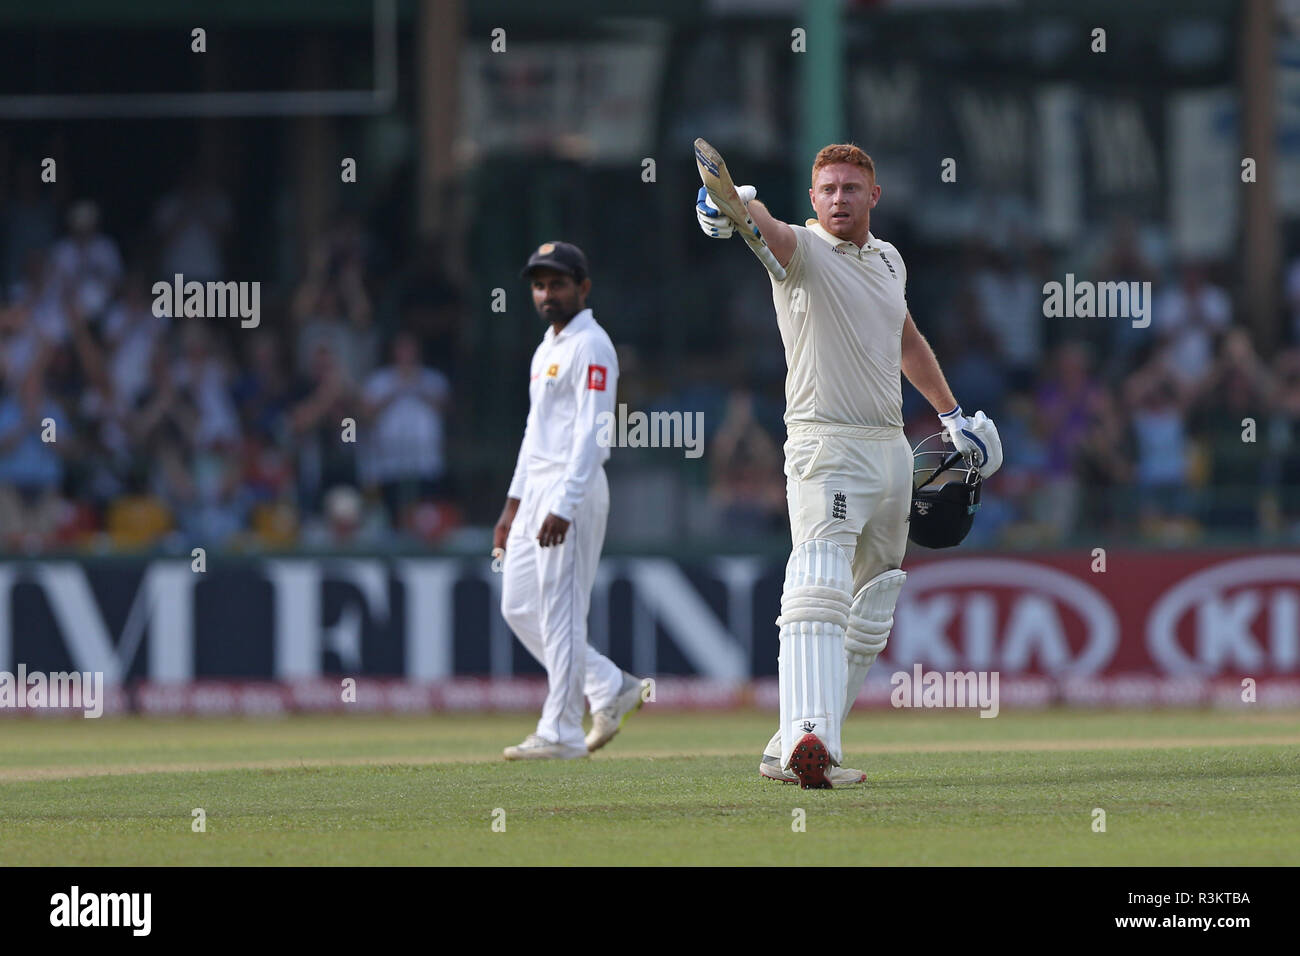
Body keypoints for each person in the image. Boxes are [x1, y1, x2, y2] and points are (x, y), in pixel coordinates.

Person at [697, 144, 1003, 788]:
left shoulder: (889, 259)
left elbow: (905, 339)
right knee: (819, 581)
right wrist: (729, 207)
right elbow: (762, 230)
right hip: (825, 443)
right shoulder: (802, 253)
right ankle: (812, 741)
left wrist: (952, 416)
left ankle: (791, 742)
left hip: (889, 444)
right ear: (813, 199)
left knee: (873, 602)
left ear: (874, 195)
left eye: (850, 188)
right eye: (828, 189)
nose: (839, 199)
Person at [492, 241, 648, 760]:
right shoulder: (547, 347)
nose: (546, 293)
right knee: (519, 606)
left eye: (557, 283)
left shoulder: (592, 345)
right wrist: (513, 503)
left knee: (561, 612)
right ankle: (608, 685)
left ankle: (559, 731)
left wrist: (566, 501)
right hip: (536, 486)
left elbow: (593, 430)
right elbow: (534, 431)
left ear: (582, 288)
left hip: (571, 488)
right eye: (539, 285)